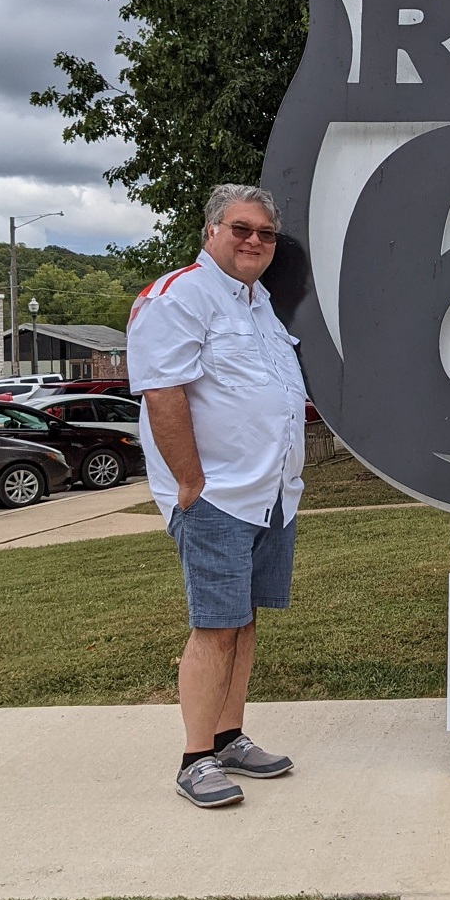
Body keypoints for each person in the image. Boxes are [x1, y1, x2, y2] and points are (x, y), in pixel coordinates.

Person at [127, 184, 307, 808]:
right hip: (219, 498)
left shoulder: (261, 307)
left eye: (265, 233)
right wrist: (189, 483)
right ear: (210, 231)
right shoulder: (180, 297)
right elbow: (162, 391)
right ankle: (195, 758)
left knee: (244, 619)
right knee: (214, 627)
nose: (255, 240)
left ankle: (229, 736)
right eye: (241, 229)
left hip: (271, 494)